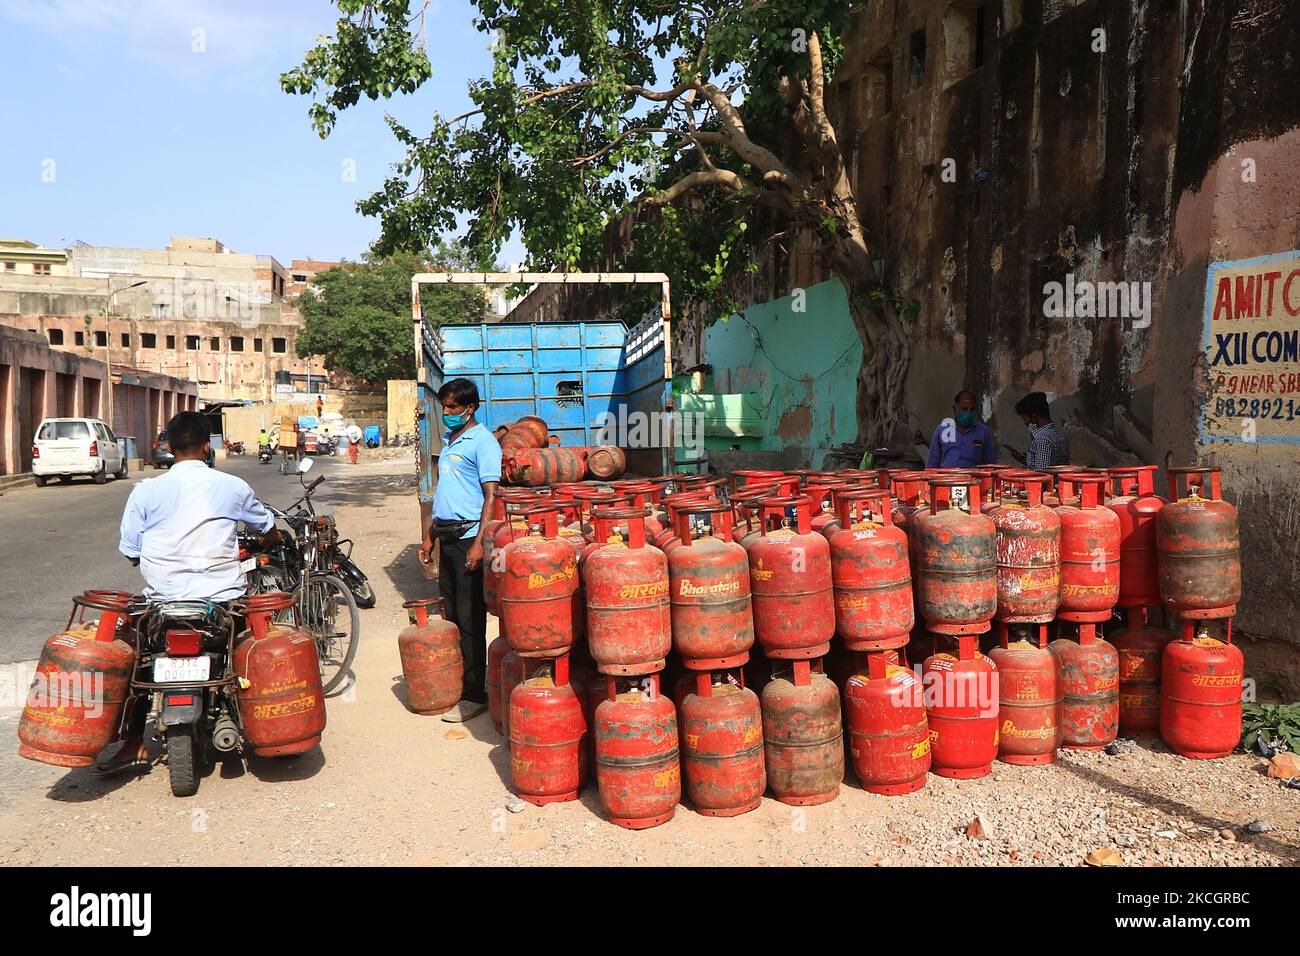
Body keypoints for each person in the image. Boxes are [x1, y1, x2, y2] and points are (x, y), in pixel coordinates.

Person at [99, 411, 281, 774]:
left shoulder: (145, 491)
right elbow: (267, 528)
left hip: (163, 607)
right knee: (250, 646)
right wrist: (272, 542)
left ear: (167, 446)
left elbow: (131, 550)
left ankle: (134, 743)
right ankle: (263, 725)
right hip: (221, 604)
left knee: (139, 658)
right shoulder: (231, 486)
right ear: (206, 447)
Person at [416, 378, 501, 723]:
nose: (447, 412)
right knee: (451, 619)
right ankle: (460, 682)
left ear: (472, 407)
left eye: (453, 407)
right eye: (445, 407)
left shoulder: (483, 443)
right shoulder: (451, 441)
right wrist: (429, 536)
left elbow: (491, 496)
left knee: (470, 621)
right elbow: (444, 496)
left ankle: (474, 693)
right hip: (446, 538)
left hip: (469, 540)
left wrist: (481, 543)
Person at [926, 389, 998, 468]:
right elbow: (932, 463)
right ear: (955, 409)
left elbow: (991, 465)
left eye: (972, 409)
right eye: (964, 409)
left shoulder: (983, 432)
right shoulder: (942, 430)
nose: (968, 413)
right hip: (946, 479)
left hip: (973, 479)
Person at [1015, 391, 1071, 469]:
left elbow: (1041, 473)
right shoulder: (1059, 434)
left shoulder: (1042, 439)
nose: (1024, 423)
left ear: (1033, 416)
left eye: (1024, 418)